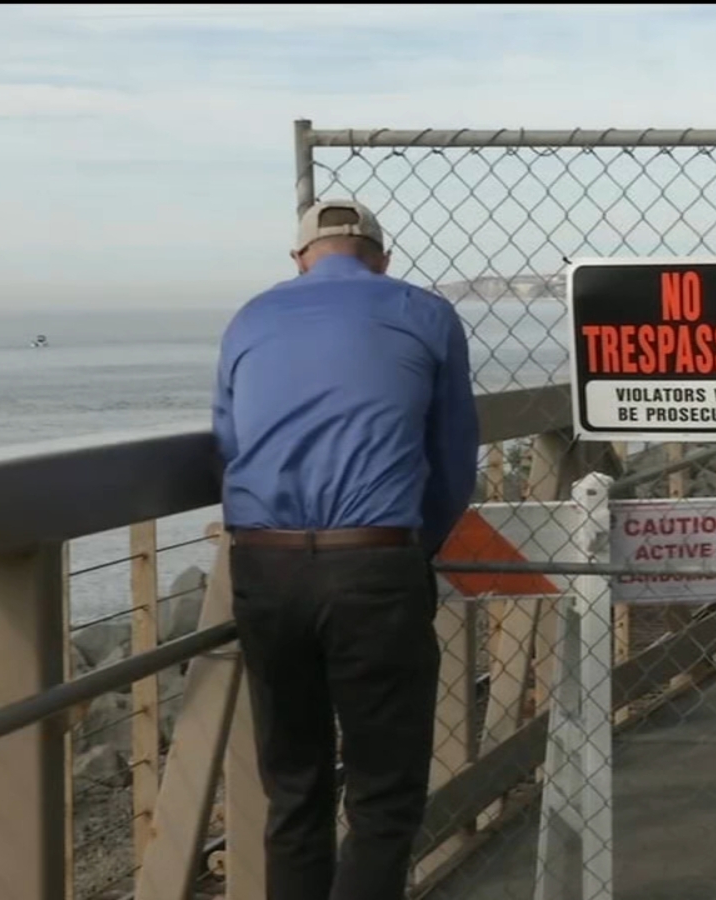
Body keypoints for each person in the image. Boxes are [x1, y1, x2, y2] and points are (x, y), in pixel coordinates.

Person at [212, 198, 479, 900]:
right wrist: (406, 550)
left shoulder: (250, 318)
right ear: (381, 259)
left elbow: (231, 443)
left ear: (300, 259)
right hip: (375, 559)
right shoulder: (426, 314)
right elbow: (452, 463)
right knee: (383, 793)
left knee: (293, 786)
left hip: (264, 564)